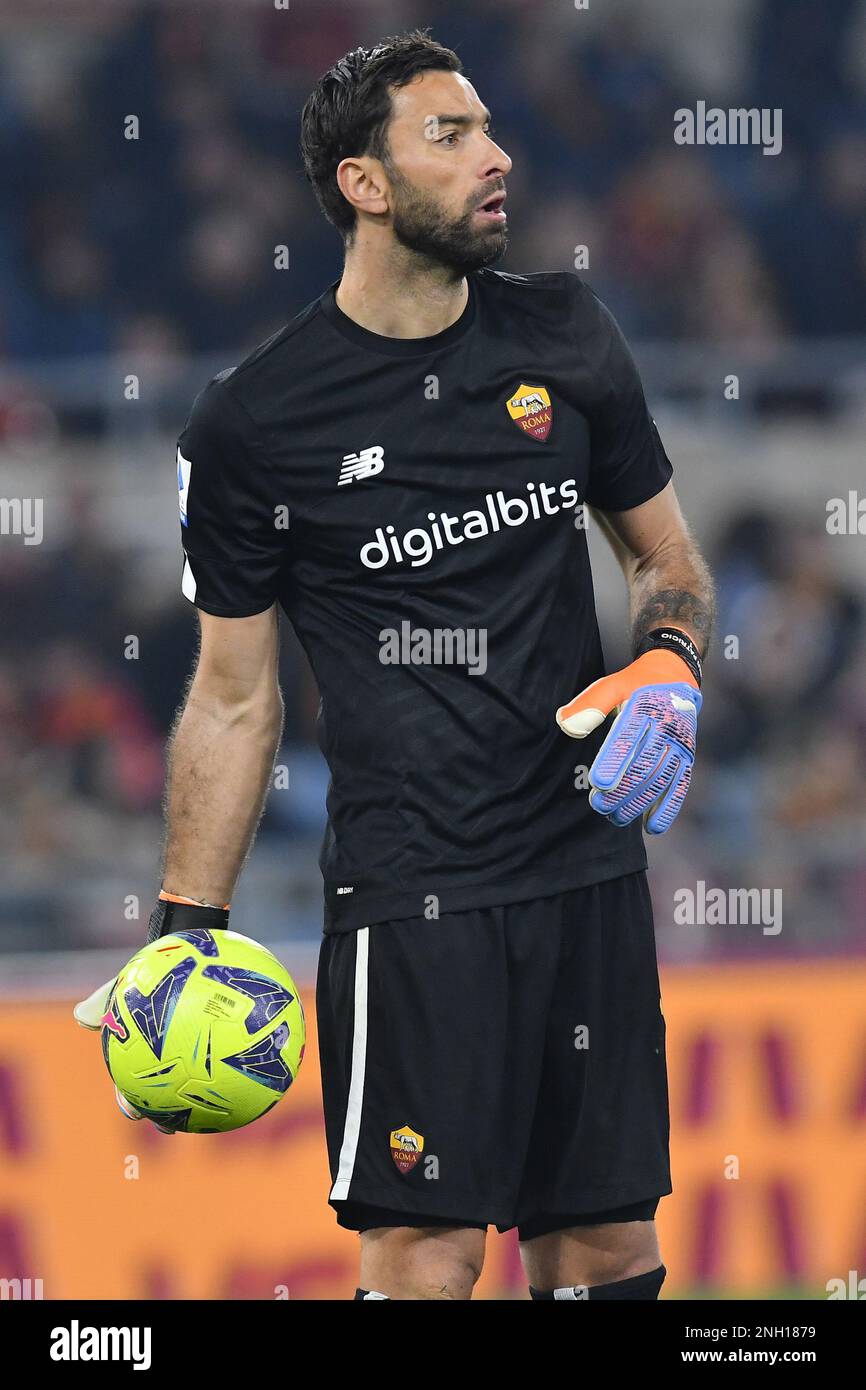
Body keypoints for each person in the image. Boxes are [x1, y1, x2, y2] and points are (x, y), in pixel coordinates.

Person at [76, 30, 714, 1301]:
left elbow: (668, 564)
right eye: (450, 135)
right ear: (364, 185)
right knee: (424, 1256)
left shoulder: (567, 333)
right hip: (413, 899)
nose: (496, 157)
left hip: (586, 868)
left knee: (607, 1249)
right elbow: (231, 692)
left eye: (486, 129)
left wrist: (672, 664)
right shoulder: (255, 421)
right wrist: (184, 933)